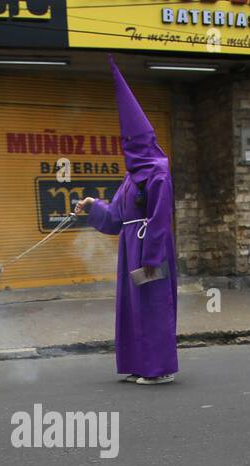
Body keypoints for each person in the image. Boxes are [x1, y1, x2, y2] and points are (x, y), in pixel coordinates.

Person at [72, 56, 178, 385]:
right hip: (131, 247)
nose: (127, 148)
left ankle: (159, 369)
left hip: (149, 250)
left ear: (144, 141)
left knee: (153, 306)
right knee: (133, 309)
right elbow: (117, 218)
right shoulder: (131, 178)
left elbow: (160, 219)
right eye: (125, 143)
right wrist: (92, 205)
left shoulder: (158, 174)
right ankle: (138, 364)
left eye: (132, 142)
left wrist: (151, 257)